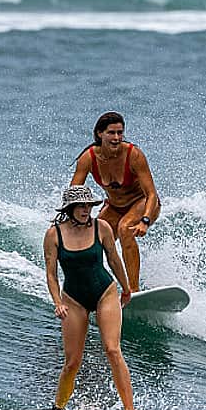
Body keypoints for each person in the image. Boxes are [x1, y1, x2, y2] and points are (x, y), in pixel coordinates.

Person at [43, 184, 137, 410]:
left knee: (112, 349)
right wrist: (57, 302)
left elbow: (114, 260)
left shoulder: (101, 227)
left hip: (104, 292)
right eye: (81, 206)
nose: (86, 210)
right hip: (73, 299)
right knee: (72, 362)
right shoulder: (54, 234)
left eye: (89, 205)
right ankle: (58, 409)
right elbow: (51, 274)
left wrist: (126, 288)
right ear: (70, 208)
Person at [70, 111, 160, 292]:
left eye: (120, 133)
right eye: (111, 133)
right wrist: (69, 221)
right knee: (94, 239)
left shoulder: (134, 155)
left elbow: (151, 194)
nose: (117, 137)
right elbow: (74, 194)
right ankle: (94, 288)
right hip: (114, 206)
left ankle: (133, 291)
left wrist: (145, 221)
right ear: (99, 134)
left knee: (125, 228)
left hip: (143, 203)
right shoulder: (88, 158)